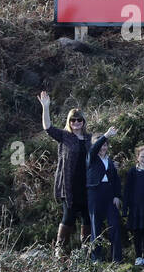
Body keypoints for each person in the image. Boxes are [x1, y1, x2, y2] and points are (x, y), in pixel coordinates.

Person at [39, 92, 92, 259]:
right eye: (73, 120)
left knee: (87, 218)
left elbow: (100, 155)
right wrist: (45, 107)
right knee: (68, 217)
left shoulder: (90, 138)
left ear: (83, 122)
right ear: (69, 122)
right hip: (68, 185)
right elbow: (47, 127)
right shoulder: (64, 136)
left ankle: (87, 252)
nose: (76, 123)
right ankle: (60, 252)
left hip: (88, 184)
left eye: (79, 120)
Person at [85, 127, 123, 263]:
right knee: (96, 226)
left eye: (105, 145)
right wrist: (106, 135)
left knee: (115, 225)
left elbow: (116, 181)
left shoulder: (111, 161)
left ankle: (117, 259)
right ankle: (96, 259)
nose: (102, 147)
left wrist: (117, 196)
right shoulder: (91, 157)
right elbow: (94, 149)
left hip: (110, 195)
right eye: (100, 144)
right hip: (95, 194)